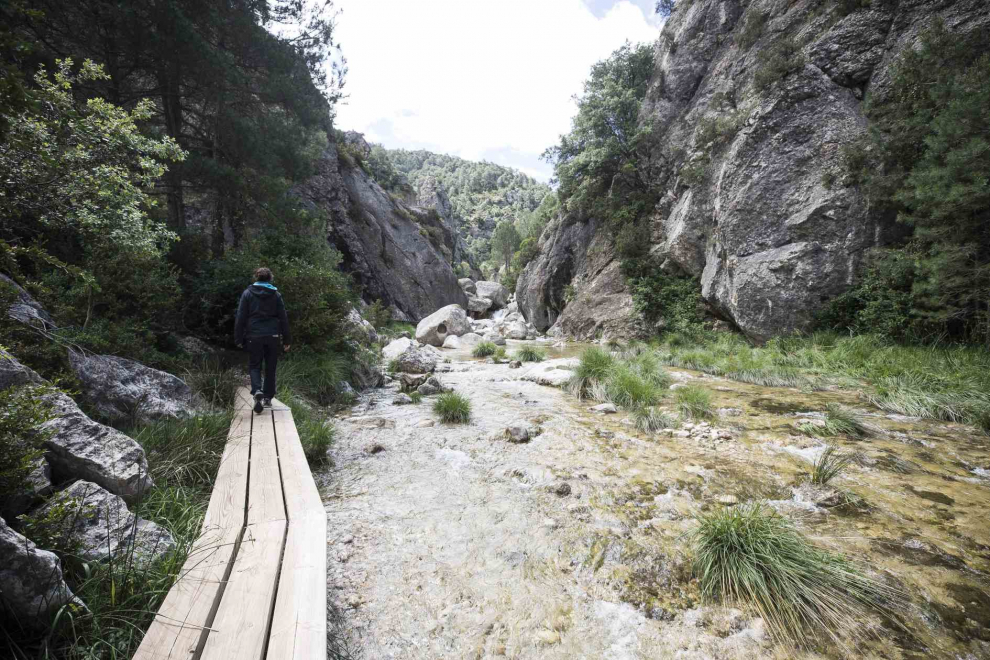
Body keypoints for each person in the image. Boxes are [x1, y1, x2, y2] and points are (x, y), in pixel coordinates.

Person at [235, 267, 291, 414]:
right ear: (270, 278)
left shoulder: (247, 293)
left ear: (256, 277)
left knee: (255, 365)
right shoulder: (276, 295)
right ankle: (267, 398)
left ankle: (257, 390)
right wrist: (287, 339)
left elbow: (240, 317)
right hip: (273, 336)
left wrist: (238, 338)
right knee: (270, 367)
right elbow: (283, 318)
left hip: (254, 335)